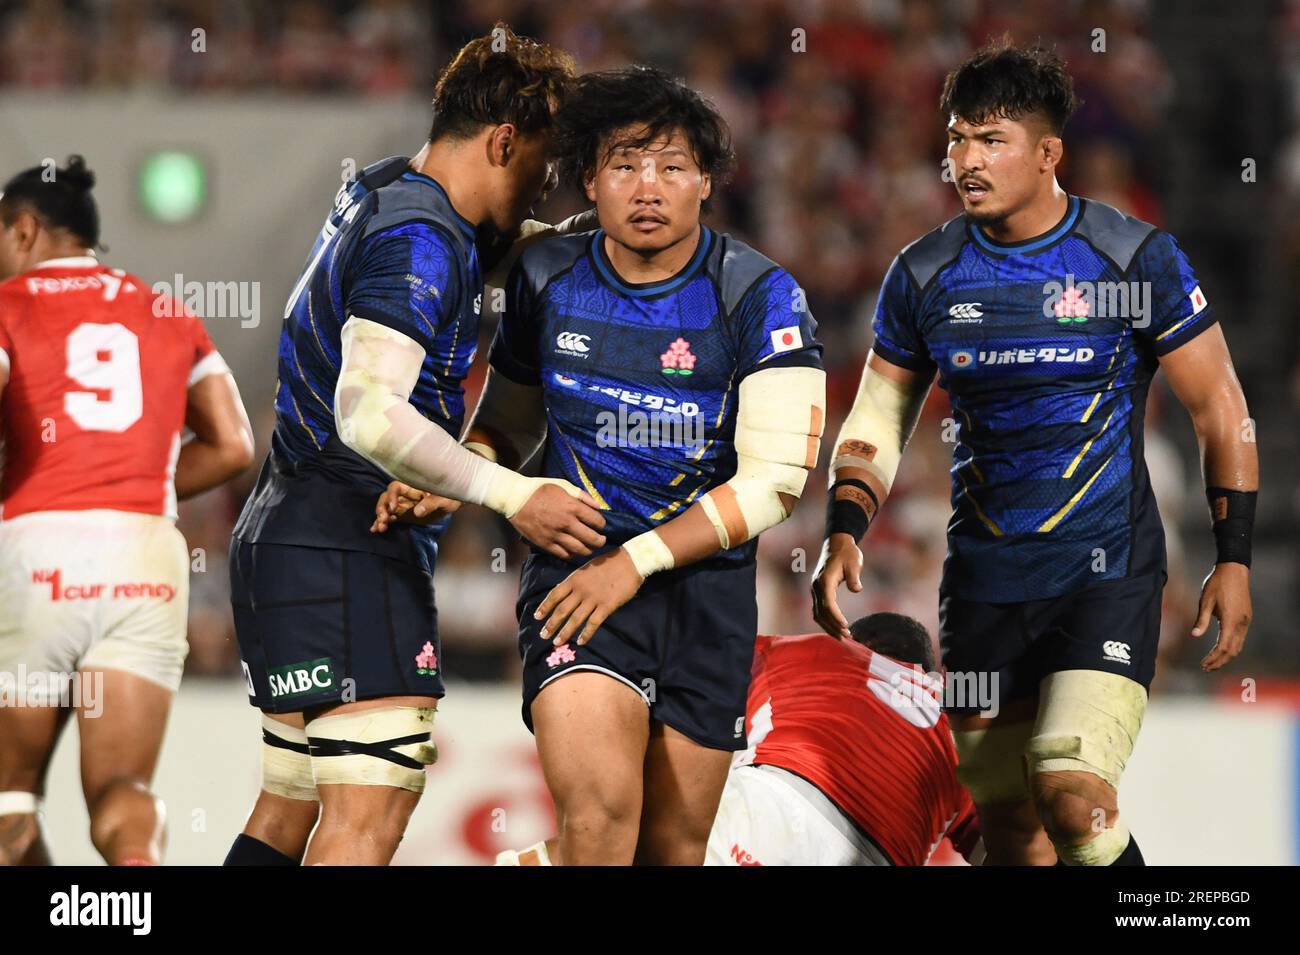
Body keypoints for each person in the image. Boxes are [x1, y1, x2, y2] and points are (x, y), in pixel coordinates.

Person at [811, 41, 1258, 866]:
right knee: (1010, 830)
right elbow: (880, 406)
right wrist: (844, 527)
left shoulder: (1133, 258)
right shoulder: (926, 272)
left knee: (1073, 794)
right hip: (984, 582)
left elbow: (1221, 406)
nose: (966, 162)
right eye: (956, 140)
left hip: (1106, 574)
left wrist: (1233, 556)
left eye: (991, 141)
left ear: (1049, 153)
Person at [389, 66, 826, 865]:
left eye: (670, 165)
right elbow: (511, 418)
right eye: (624, 165)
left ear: (705, 182)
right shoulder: (546, 276)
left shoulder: (762, 297)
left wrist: (635, 563)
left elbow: (774, 484)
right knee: (598, 821)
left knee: (673, 848)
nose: (647, 186)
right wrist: (463, 471)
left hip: (706, 593)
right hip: (574, 581)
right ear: (588, 179)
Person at [223, 25, 603, 867]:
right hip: (349, 539)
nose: (542, 187)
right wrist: (511, 493)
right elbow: (367, 414)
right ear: (505, 139)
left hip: (286, 530)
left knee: (285, 810)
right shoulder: (420, 238)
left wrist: (596, 228)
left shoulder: (399, 191)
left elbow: (507, 247)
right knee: (368, 817)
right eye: (541, 165)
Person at [0, 156, 254, 865]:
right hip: (145, 549)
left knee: (9, 793)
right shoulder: (164, 307)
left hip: (35, 547)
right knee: (122, 783)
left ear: (23, 229)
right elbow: (235, 443)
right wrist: (135, 479)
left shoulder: (9, 304)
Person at [498, 613, 983, 867]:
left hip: (782, 809)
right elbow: (1006, 846)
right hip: (885, 855)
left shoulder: (817, 649)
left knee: (597, 848)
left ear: (855, 642)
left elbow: (680, 691)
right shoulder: (964, 729)